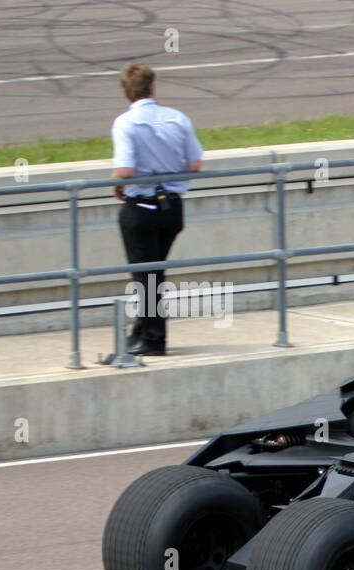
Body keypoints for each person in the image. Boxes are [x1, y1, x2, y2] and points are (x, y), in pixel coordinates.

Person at [110, 63, 204, 355]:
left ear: (127, 92)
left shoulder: (125, 123)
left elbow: (125, 169)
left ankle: (152, 339)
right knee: (153, 274)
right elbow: (194, 164)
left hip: (141, 209)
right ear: (152, 88)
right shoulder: (177, 118)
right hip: (171, 209)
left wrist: (115, 182)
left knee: (145, 276)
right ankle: (142, 333)